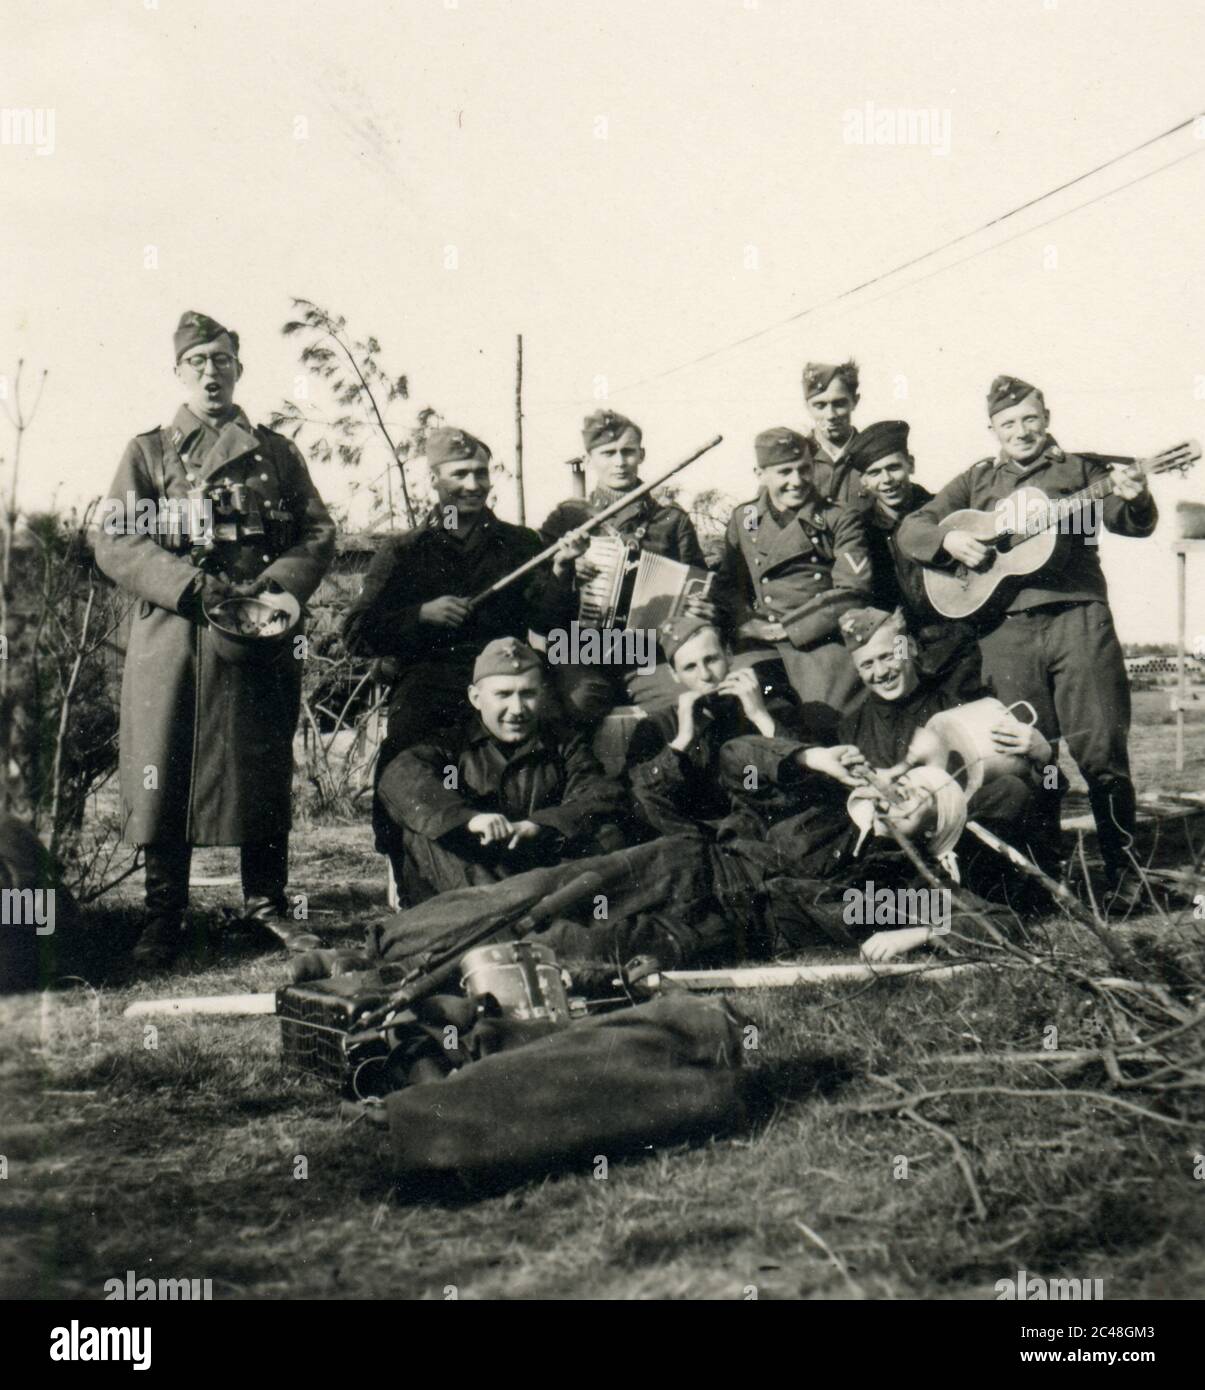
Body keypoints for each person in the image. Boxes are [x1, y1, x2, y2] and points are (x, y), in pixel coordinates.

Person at [94, 310, 336, 966]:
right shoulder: (148, 452)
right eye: (197, 362)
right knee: (162, 768)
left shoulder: (277, 453)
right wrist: (185, 585)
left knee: (258, 766)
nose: (211, 372)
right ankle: (163, 912)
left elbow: (317, 532)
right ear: (178, 373)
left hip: (253, 635)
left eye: (222, 360)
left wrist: (281, 586)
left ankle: (265, 907)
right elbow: (113, 537)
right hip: (172, 635)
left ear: (239, 370)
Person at [897, 374, 1157, 890]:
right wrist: (950, 543)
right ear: (992, 428)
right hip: (1005, 631)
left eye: (1030, 419)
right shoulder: (976, 481)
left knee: (1101, 747)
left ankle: (1125, 873)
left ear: (1047, 419)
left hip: (1078, 618)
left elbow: (1130, 520)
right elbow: (913, 528)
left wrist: (1136, 495)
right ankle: (1042, 872)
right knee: (1022, 752)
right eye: (1008, 422)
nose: (1021, 430)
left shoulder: (1081, 468)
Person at [719, 605, 1058, 950]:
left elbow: (1046, 793)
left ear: (907, 647)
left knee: (1011, 790)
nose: (880, 671)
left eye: (887, 655)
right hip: (901, 874)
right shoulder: (851, 728)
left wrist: (1044, 760)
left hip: (974, 858)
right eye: (866, 664)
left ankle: (999, 903)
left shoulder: (957, 706)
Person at [341, 426, 578, 872]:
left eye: (482, 473)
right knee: (406, 746)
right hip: (432, 677)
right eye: (460, 474)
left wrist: (562, 572)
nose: (473, 485)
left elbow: (551, 624)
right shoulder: (405, 551)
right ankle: (401, 857)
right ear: (433, 479)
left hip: (505, 680)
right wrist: (420, 615)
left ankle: (538, 849)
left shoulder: (521, 545)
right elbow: (356, 633)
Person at [376, 638, 625, 901]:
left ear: (542, 693)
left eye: (527, 694)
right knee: (429, 835)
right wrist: (468, 820)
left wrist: (538, 825)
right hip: (466, 890)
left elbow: (598, 793)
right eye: (503, 695)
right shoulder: (449, 745)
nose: (517, 709)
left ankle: (522, 914)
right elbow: (400, 776)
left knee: (606, 833)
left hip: (538, 875)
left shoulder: (564, 745)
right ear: (475, 697)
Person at [538, 409, 716, 725]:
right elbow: (543, 613)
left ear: (641, 454)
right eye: (608, 453)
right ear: (589, 458)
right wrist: (563, 571)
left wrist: (699, 606)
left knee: (686, 704)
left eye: (628, 452)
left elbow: (698, 586)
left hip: (649, 652)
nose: (619, 462)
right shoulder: (567, 519)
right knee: (575, 703)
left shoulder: (671, 520)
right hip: (582, 651)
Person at [626, 613, 829, 836]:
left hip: (758, 830)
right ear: (674, 674)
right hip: (694, 836)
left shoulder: (767, 703)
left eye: (712, 660)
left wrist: (760, 716)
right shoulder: (657, 726)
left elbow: (814, 772)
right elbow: (640, 796)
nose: (705, 676)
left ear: (729, 655)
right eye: (690, 667)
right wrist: (681, 742)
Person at [718, 426, 872, 714]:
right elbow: (728, 584)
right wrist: (745, 622)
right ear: (760, 474)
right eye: (784, 472)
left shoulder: (836, 517)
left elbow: (853, 591)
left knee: (825, 712)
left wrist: (786, 629)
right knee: (745, 705)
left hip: (820, 637)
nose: (797, 481)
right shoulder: (747, 517)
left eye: (804, 469)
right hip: (761, 640)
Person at [843, 419, 980, 694]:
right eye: (875, 472)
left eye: (894, 467)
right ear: (865, 481)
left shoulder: (942, 513)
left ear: (911, 464)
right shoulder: (861, 531)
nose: (887, 480)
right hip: (901, 642)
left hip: (957, 637)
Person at [802, 360, 862, 505]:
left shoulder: (874, 455)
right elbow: (754, 520)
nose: (831, 415)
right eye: (820, 406)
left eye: (839, 404)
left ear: (855, 401)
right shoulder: (795, 457)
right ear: (808, 407)